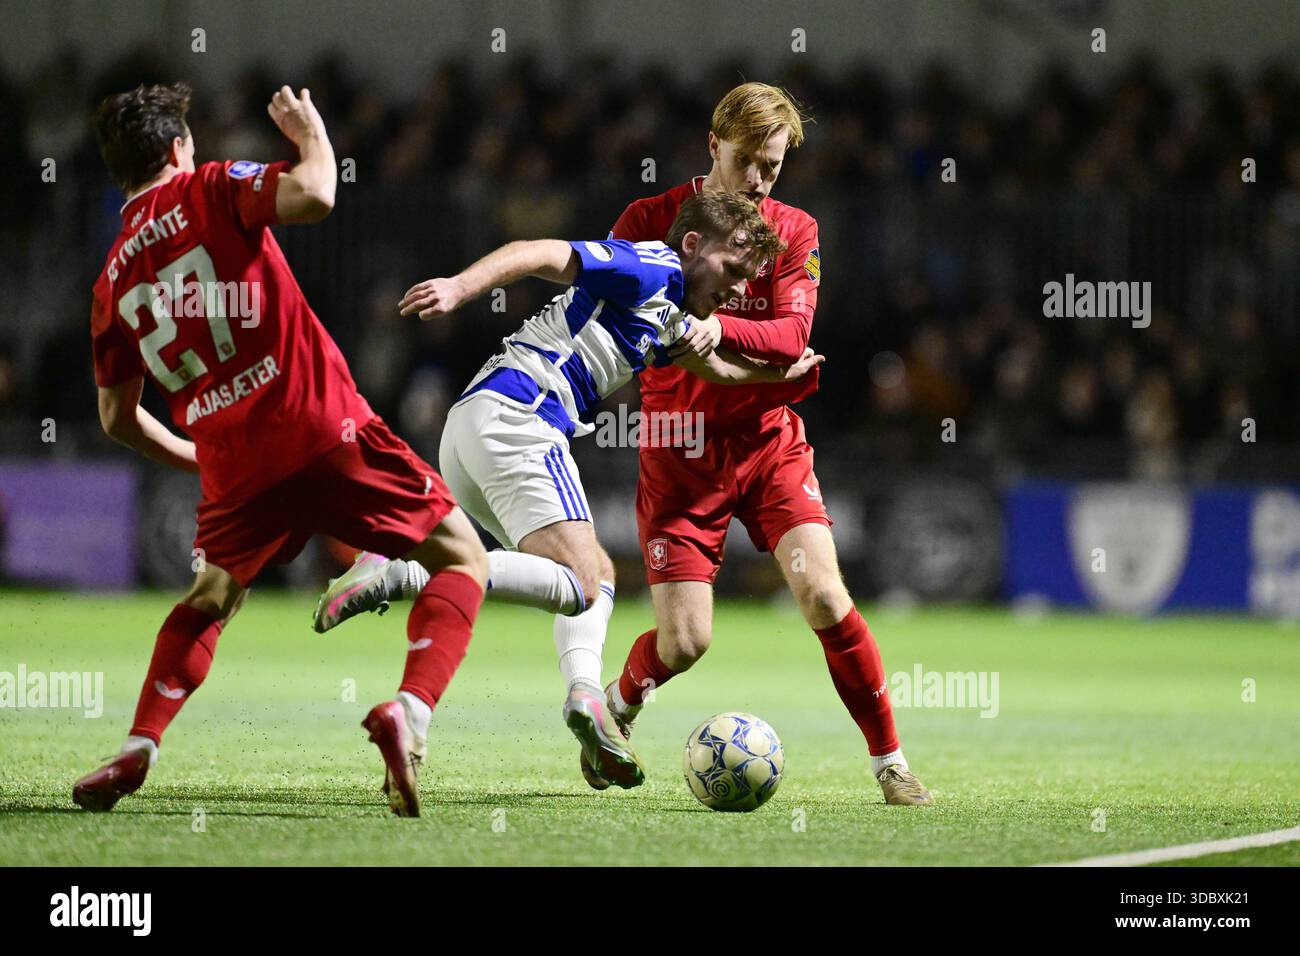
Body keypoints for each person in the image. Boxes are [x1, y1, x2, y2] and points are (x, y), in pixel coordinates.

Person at [73, 82, 485, 818]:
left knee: (209, 601)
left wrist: (200, 457)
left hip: (234, 465)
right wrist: (312, 134)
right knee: (461, 557)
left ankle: (140, 743)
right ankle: (409, 714)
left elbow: (118, 420)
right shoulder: (209, 186)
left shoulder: (110, 280)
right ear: (177, 147)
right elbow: (318, 195)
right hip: (321, 426)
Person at [314, 193, 822, 788]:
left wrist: (781, 374)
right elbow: (538, 252)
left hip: (476, 429)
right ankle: (400, 572)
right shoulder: (650, 265)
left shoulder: (671, 314)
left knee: (586, 583)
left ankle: (585, 701)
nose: (738, 292)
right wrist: (458, 287)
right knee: (588, 580)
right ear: (691, 246)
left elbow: (721, 371)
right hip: (521, 419)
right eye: (733, 272)